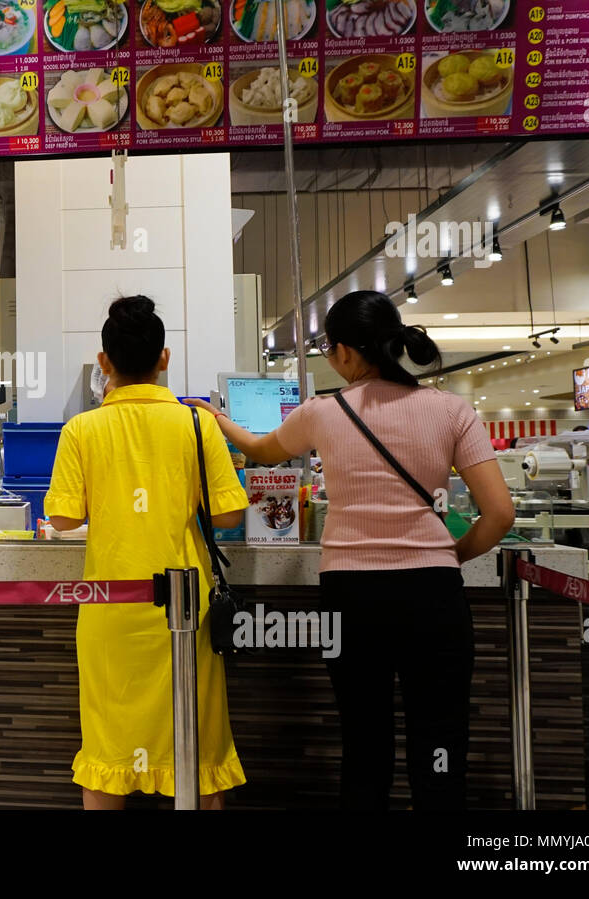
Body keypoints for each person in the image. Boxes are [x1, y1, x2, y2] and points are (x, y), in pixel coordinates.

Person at [187, 290, 514, 810]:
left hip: (351, 597)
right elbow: (499, 515)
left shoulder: (323, 413)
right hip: (433, 596)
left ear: (343, 352)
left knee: (364, 741)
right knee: (440, 742)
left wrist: (210, 416)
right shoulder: (452, 411)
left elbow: (257, 448)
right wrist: (448, 555)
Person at [45, 295, 248, 810]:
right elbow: (227, 516)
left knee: (109, 750)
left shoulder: (81, 430)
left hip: (110, 610)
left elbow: (65, 518)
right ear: (165, 358)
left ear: (104, 363)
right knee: (196, 750)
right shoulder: (198, 425)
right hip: (184, 610)